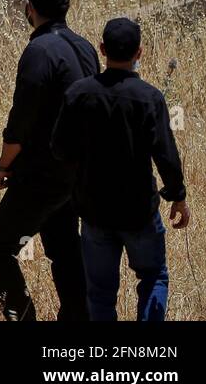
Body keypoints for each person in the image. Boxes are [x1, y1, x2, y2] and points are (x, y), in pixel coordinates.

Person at [50, 18, 190, 322]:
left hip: (94, 211)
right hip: (139, 211)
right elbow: (166, 154)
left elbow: (60, 149)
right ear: (139, 53)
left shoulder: (78, 94)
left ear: (101, 49)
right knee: (154, 277)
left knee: (99, 294)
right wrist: (177, 196)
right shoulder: (150, 98)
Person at [0, 0, 98, 321]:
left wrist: (4, 165)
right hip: (76, 172)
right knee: (63, 248)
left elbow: (21, 122)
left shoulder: (38, 51)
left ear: (30, 7)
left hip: (42, 175)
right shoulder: (85, 47)